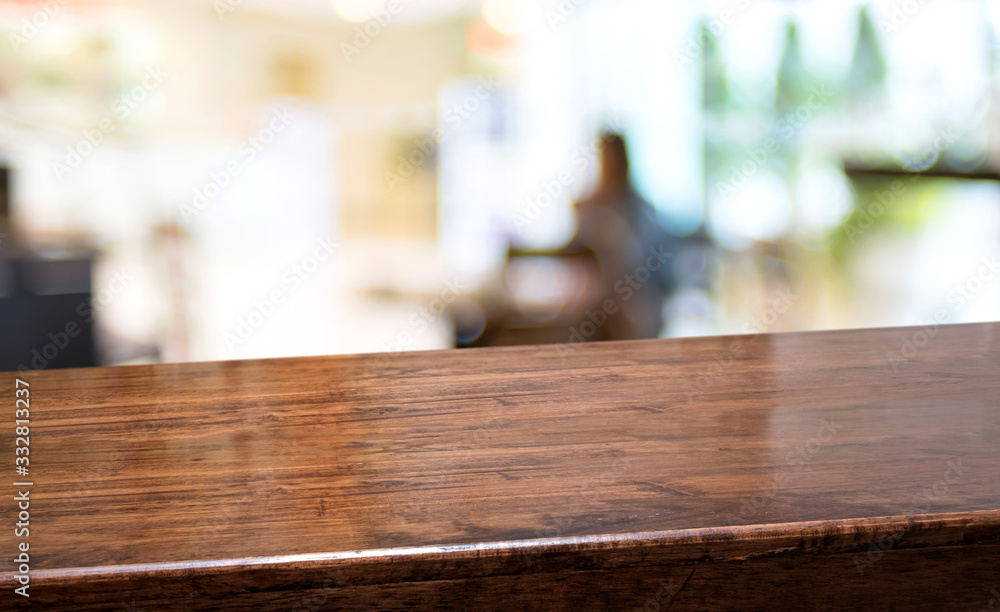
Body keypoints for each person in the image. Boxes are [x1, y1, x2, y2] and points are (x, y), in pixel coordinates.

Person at [564, 132, 673, 340]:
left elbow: (649, 262)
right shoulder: (589, 207)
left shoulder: (640, 210)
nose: (607, 166)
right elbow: (575, 253)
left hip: (634, 304)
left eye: (610, 159)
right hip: (595, 306)